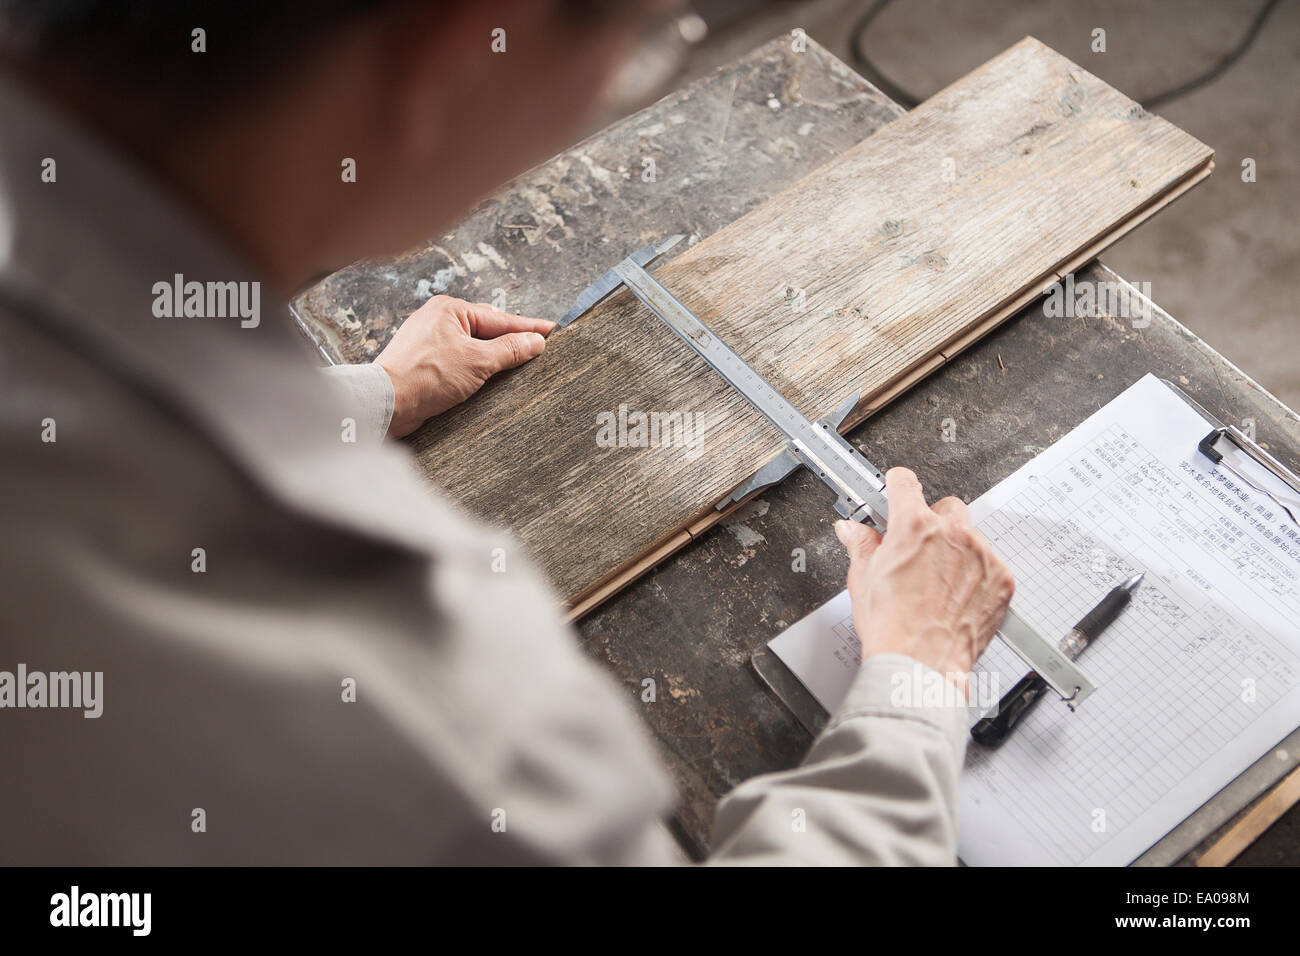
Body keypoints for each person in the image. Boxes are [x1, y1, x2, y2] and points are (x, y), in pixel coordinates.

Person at [0, 0, 1013, 864]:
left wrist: (375, 396)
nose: (626, 76)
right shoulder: (437, 712)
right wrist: (916, 678)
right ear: (456, 52)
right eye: (644, 41)